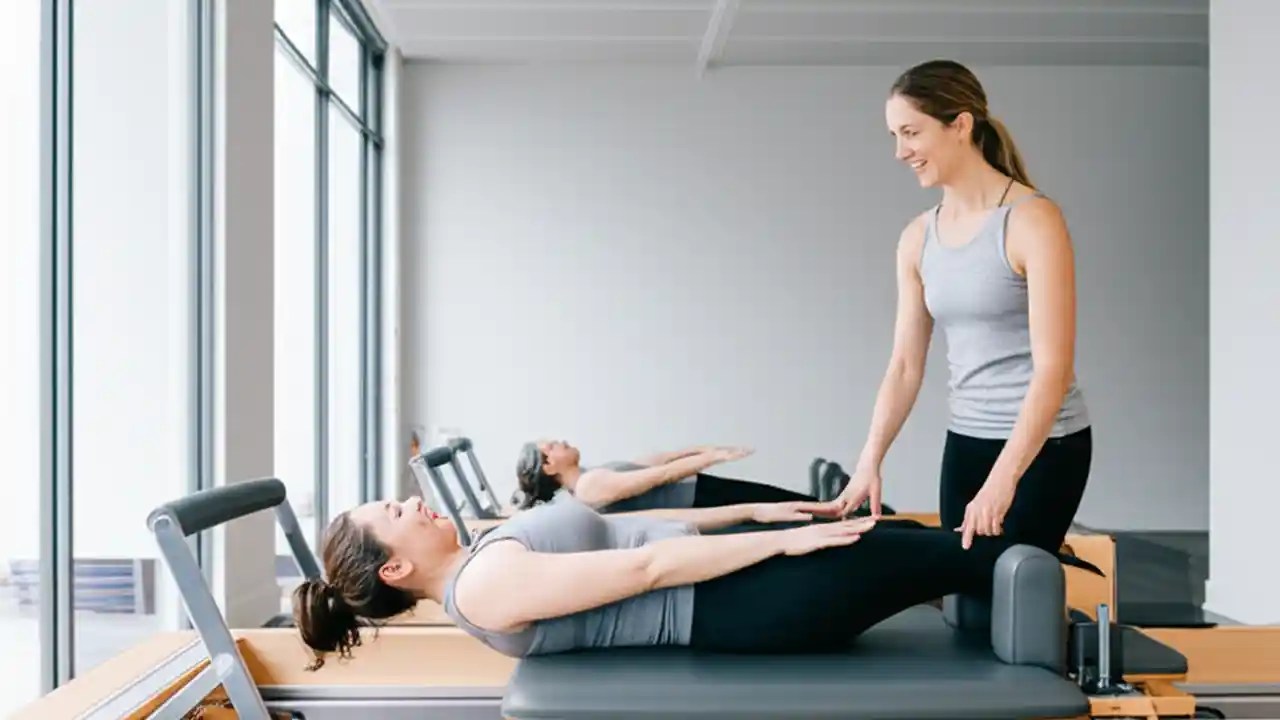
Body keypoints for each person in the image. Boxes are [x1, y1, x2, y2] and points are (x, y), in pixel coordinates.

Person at [293, 494, 1096, 666]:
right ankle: (1079, 591)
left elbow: (642, 532)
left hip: (733, 579)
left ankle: (1058, 571)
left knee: (923, 548)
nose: (413, 501)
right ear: (394, 566)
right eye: (394, 511)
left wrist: (765, 521)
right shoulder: (484, 591)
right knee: (937, 551)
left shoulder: (486, 553)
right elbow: (648, 569)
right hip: (732, 604)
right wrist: (790, 547)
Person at [832, 59, 1092, 554]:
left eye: (911, 132)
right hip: (967, 438)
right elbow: (906, 366)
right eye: (894, 135)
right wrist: (871, 458)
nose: (899, 151)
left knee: (1013, 586)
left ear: (961, 126)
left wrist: (1003, 479)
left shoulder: (1033, 221)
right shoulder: (917, 238)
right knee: (968, 603)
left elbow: (1053, 369)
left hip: (1044, 445)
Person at [513, 438, 823, 512]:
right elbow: (656, 477)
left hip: (700, 490)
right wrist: (709, 458)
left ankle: (835, 507)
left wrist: (700, 450)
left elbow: (649, 463)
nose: (562, 442)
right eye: (553, 446)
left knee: (781, 499)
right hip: (699, 498)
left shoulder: (590, 475)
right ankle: (840, 511)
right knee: (782, 504)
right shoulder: (589, 487)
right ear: (549, 467)